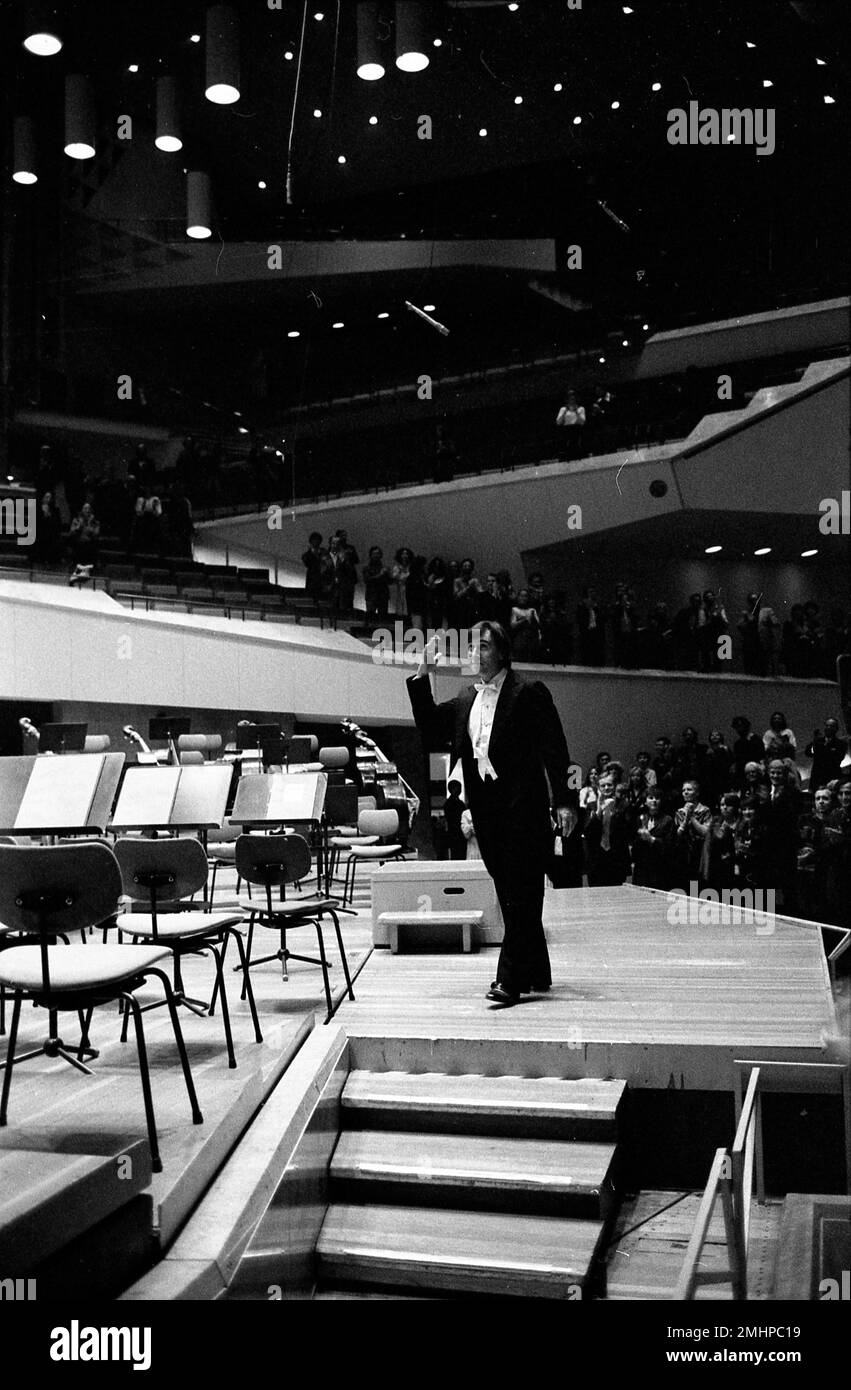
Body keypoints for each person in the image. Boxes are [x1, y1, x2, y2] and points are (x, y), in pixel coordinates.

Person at [406, 622, 577, 1005]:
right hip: (488, 813)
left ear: (501, 652)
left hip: (524, 808)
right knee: (513, 893)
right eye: (472, 646)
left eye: (483, 646)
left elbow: (556, 749)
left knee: (520, 893)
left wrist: (566, 799)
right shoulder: (467, 697)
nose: (474, 653)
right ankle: (536, 971)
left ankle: (509, 980)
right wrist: (423, 676)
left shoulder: (528, 691)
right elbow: (431, 727)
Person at [631, 788, 675, 889]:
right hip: (641, 868)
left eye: (657, 798)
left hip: (659, 868)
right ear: (645, 802)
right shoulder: (640, 818)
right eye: (651, 798)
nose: (654, 800)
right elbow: (634, 846)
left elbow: (669, 846)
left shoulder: (667, 820)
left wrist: (651, 839)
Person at [806, 718, 848, 791]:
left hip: (832, 777)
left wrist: (824, 747)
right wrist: (815, 742)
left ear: (836, 729)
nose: (828, 728)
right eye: (827, 725)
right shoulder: (818, 741)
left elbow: (836, 759)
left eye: (831, 726)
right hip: (816, 778)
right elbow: (808, 753)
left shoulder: (841, 744)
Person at [510, 588, 542, 662]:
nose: (523, 598)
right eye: (521, 596)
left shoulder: (532, 610)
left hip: (531, 639)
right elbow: (512, 625)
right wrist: (524, 620)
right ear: (518, 597)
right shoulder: (514, 610)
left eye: (525, 596)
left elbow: (538, 625)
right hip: (520, 639)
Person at [363, 546, 390, 624]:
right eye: (374, 554)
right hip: (371, 595)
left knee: (383, 617)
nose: (376, 555)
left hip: (383, 595)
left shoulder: (384, 567)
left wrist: (388, 574)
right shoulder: (367, 568)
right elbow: (367, 580)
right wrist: (380, 575)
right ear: (370, 555)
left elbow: (389, 582)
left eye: (378, 553)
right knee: (370, 616)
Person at [443, 779, 467, 861]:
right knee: (456, 853)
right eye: (457, 788)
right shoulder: (448, 804)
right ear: (451, 789)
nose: (459, 790)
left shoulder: (461, 803)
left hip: (462, 833)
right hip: (454, 833)